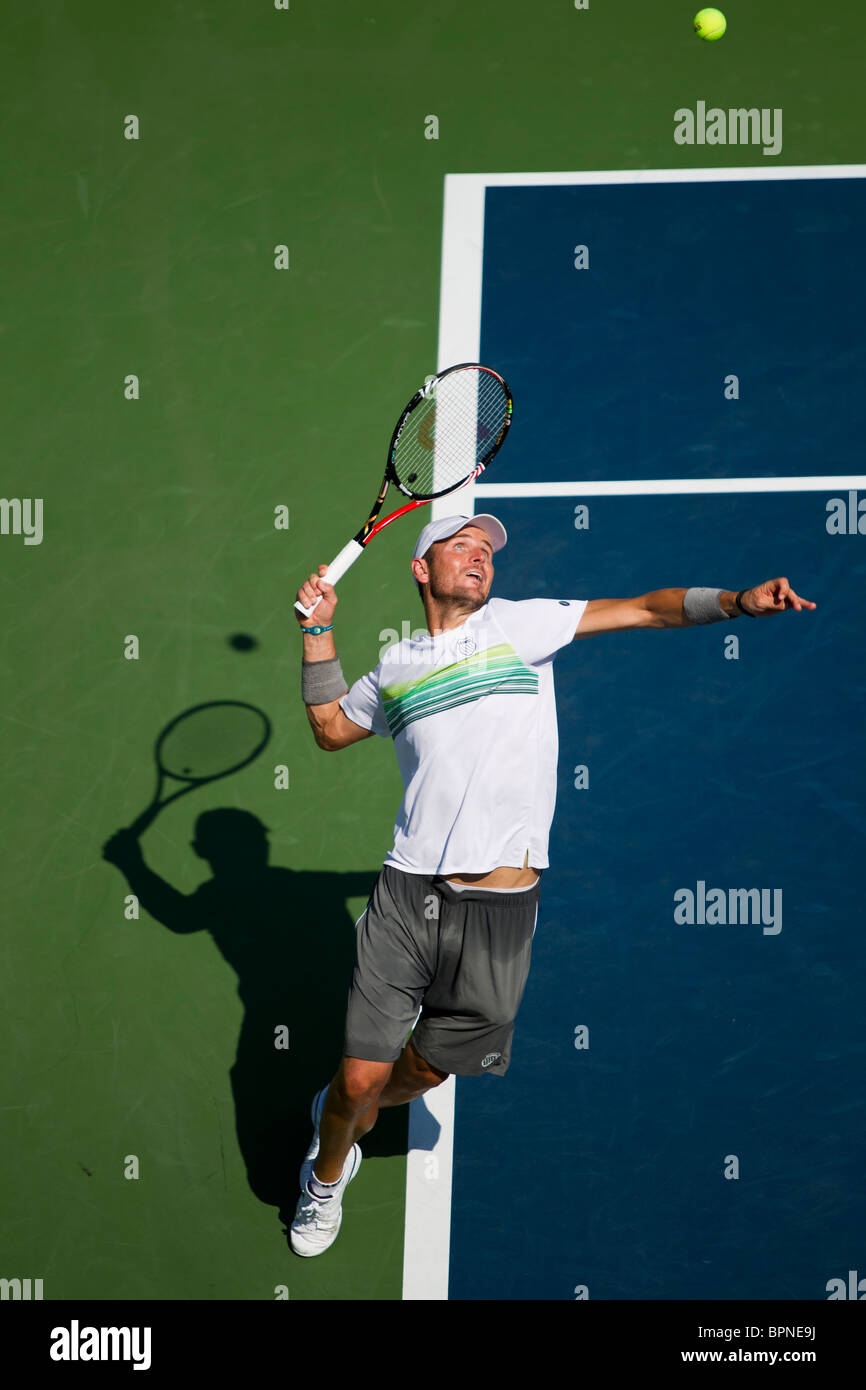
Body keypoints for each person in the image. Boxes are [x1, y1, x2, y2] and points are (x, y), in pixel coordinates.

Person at [290, 512, 816, 1256]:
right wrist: (318, 632)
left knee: (427, 1070)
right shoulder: (397, 666)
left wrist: (735, 601)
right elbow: (331, 729)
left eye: (487, 551)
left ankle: (367, 1100)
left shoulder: (523, 626)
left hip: (502, 913)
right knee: (354, 1083)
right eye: (459, 548)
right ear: (421, 570)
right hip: (407, 897)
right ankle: (325, 1173)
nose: (479, 558)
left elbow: (645, 608)